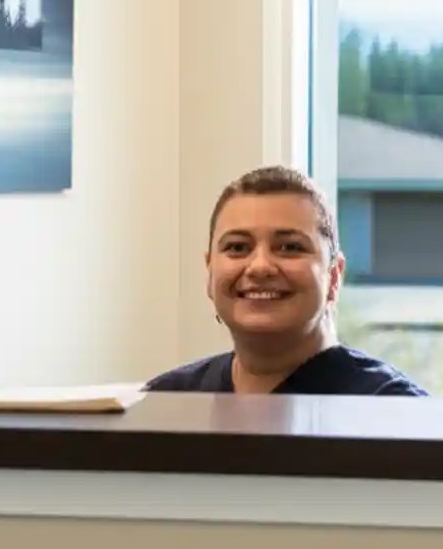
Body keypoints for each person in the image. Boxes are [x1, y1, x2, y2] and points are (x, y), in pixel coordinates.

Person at [146, 165, 427, 396]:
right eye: (237, 247)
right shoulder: (164, 403)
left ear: (333, 276)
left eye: (290, 247)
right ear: (210, 271)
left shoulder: (397, 412)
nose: (260, 267)